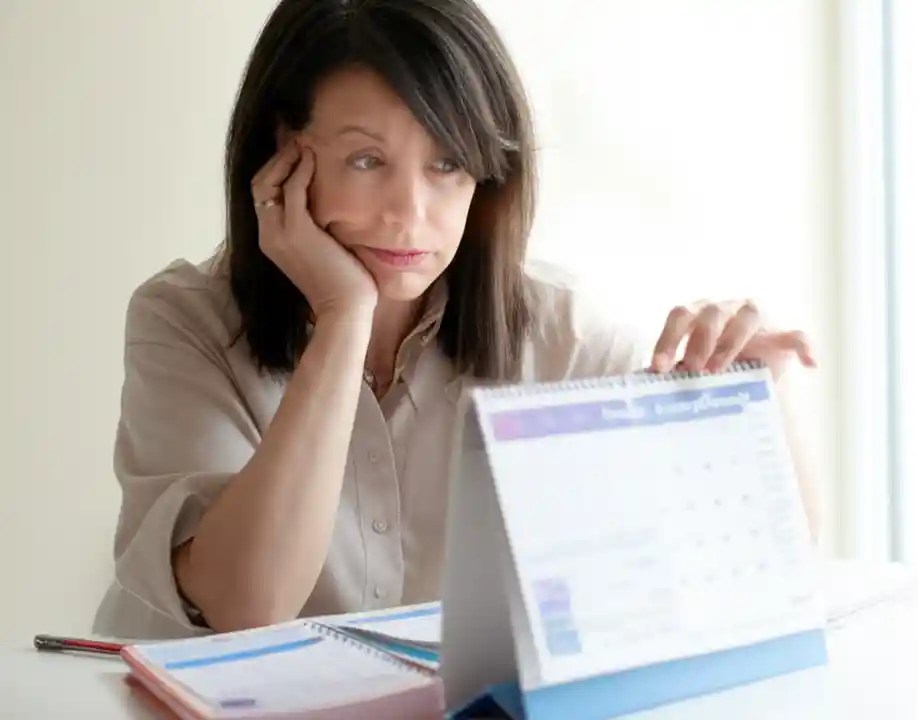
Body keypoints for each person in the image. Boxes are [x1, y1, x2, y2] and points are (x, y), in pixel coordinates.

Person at [93, 0, 820, 640]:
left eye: (446, 164)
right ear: (285, 152)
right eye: (367, 160)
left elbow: (775, 575)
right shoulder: (183, 320)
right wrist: (345, 318)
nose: (410, 213)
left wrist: (758, 396)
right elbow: (247, 603)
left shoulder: (556, 331)